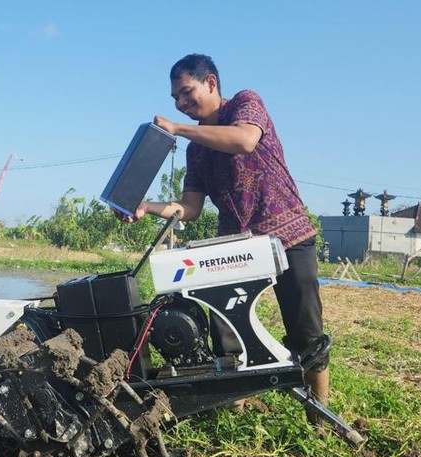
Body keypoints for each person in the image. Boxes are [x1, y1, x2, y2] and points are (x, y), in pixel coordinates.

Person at [121, 53, 330, 407]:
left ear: (211, 83)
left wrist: (177, 127)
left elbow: (244, 140)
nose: (182, 103)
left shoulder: (246, 103)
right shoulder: (196, 151)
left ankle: (319, 415)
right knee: (228, 327)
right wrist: (146, 207)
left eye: (187, 93)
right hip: (237, 245)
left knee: (306, 331)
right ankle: (236, 405)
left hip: (287, 235)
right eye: (176, 100)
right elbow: (189, 208)